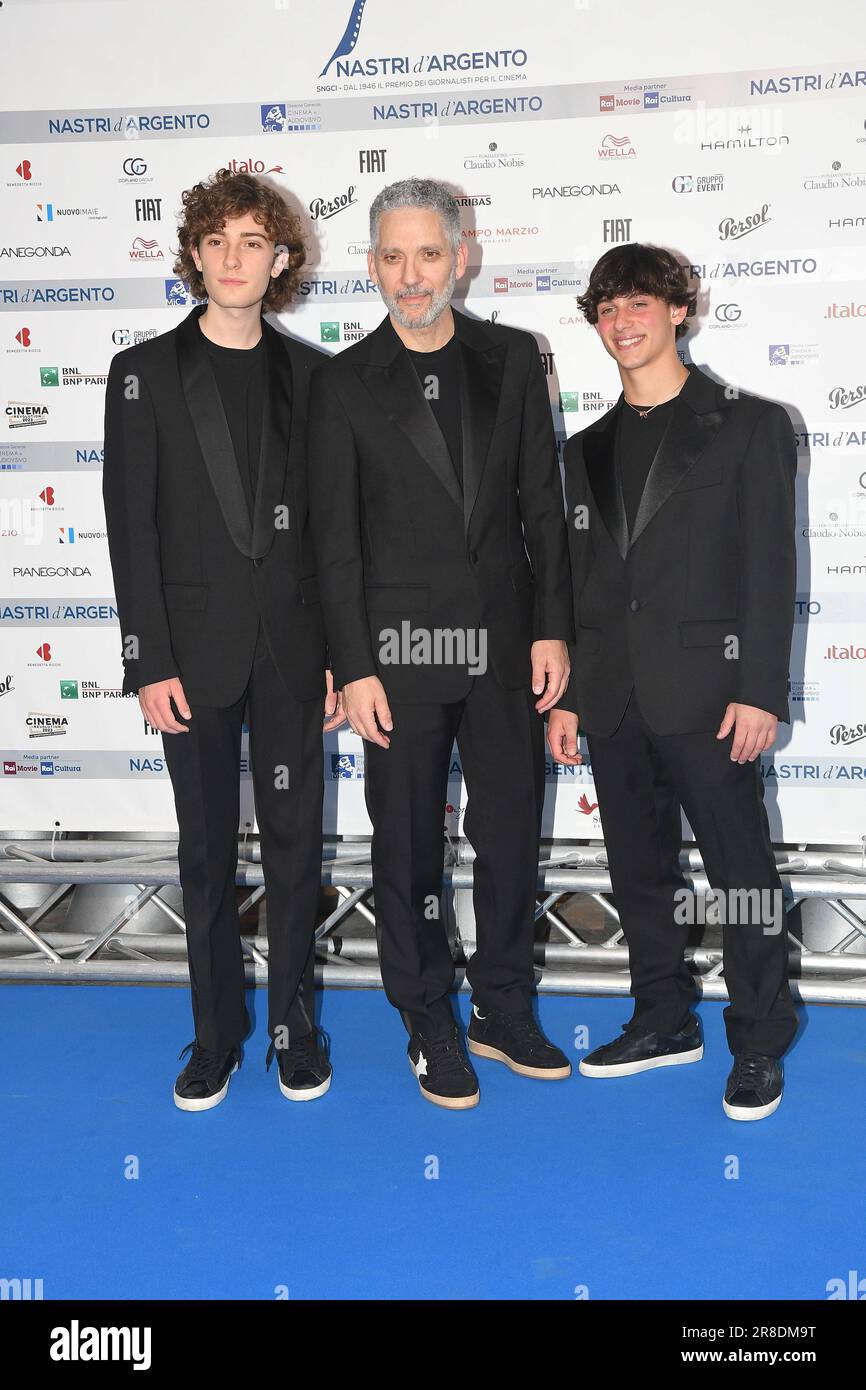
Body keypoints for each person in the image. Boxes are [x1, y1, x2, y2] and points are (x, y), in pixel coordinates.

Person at [307, 177, 575, 1110]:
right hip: (400, 655)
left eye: (428, 254)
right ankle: (428, 1020)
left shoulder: (513, 357)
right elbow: (332, 541)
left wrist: (551, 629)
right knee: (409, 848)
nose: (410, 276)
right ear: (373, 265)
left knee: (507, 836)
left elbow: (545, 506)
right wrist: (356, 664)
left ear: (461, 256)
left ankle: (503, 1008)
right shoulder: (341, 381)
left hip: (505, 650)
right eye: (391, 256)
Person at [103, 168, 343, 1111]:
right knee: (205, 853)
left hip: (292, 653)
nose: (234, 259)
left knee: (294, 852)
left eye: (253, 242)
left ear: (279, 258)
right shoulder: (144, 374)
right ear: (194, 255)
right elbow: (133, 526)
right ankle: (214, 1039)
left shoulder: (315, 376)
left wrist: (339, 655)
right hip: (190, 659)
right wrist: (147, 660)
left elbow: (329, 530)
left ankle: (294, 1031)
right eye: (217, 242)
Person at [547, 242, 799, 1121]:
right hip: (615, 697)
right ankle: (662, 1017)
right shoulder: (584, 450)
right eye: (608, 310)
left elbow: (770, 568)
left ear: (678, 310)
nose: (622, 323)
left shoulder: (748, 423)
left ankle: (760, 1038)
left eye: (639, 305)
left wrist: (762, 688)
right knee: (638, 870)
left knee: (740, 872)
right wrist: (574, 694)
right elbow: (583, 584)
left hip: (713, 694)